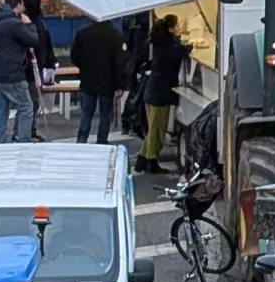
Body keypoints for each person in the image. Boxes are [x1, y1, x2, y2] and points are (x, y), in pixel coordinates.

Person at [0, 0, 41, 143]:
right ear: (19, 5)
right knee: (26, 107)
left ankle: (0, 141)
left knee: (1, 109)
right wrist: (29, 25)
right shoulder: (15, 24)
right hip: (12, 72)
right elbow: (34, 40)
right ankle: (22, 140)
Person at [139, 14, 190, 174]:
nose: (179, 28)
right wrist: (188, 45)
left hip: (153, 89)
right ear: (170, 28)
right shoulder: (169, 45)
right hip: (160, 93)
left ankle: (142, 158)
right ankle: (151, 161)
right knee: (157, 130)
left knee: (153, 128)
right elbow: (181, 51)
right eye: (176, 25)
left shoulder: (159, 42)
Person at [70, 16, 127, 145]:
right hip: (108, 81)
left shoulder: (83, 33)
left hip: (88, 79)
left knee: (86, 113)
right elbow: (119, 62)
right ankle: (102, 141)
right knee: (105, 115)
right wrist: (120, 85)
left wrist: (84, 67)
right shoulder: (115, 34)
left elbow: (75, 56)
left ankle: (81, 140)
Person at [22, 0, 57, 138]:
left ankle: (29, 129)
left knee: (31, 101)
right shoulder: (36, 24)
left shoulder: (26, 22)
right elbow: (45, 46)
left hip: (30, 66)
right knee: (32, 102)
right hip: (33, 67)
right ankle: (27, 130)